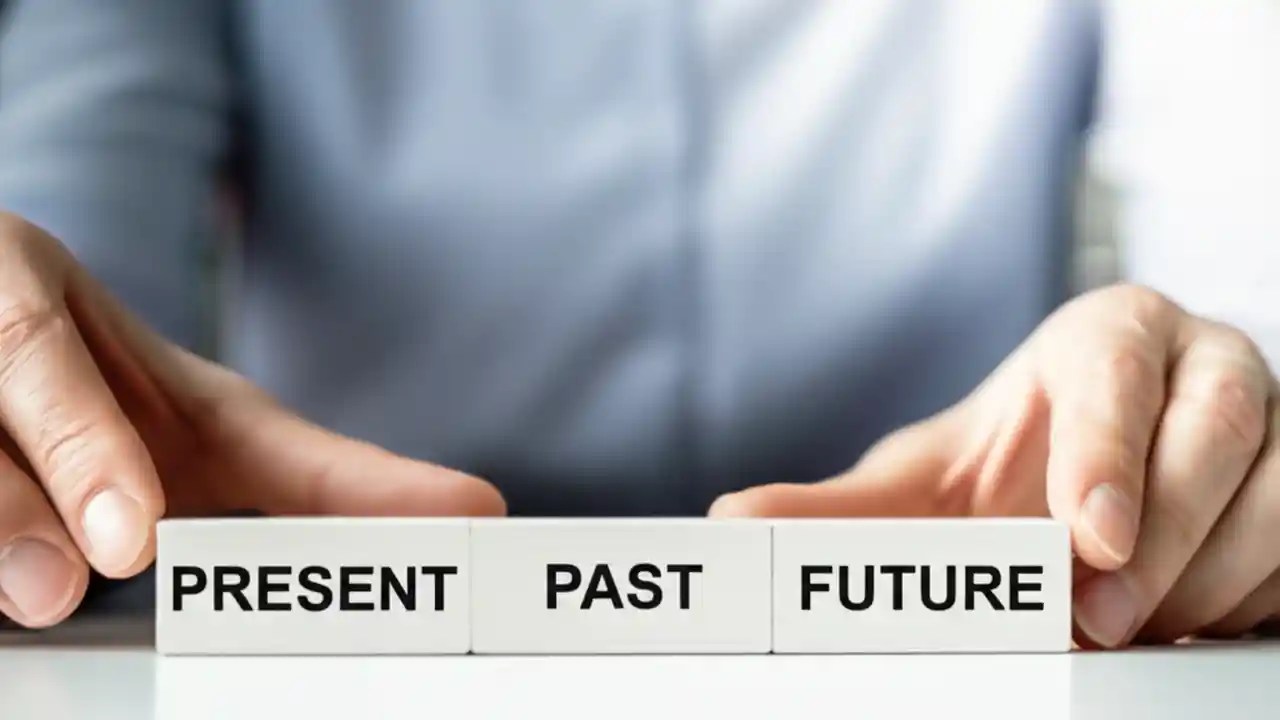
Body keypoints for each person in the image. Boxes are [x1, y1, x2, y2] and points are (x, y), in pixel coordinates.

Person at [0, 1, 1277, 650]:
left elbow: (1251, 251)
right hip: (342, 663)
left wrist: (1212, 434)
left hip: (992, 650)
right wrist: (35, 420)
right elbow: (67, 261)